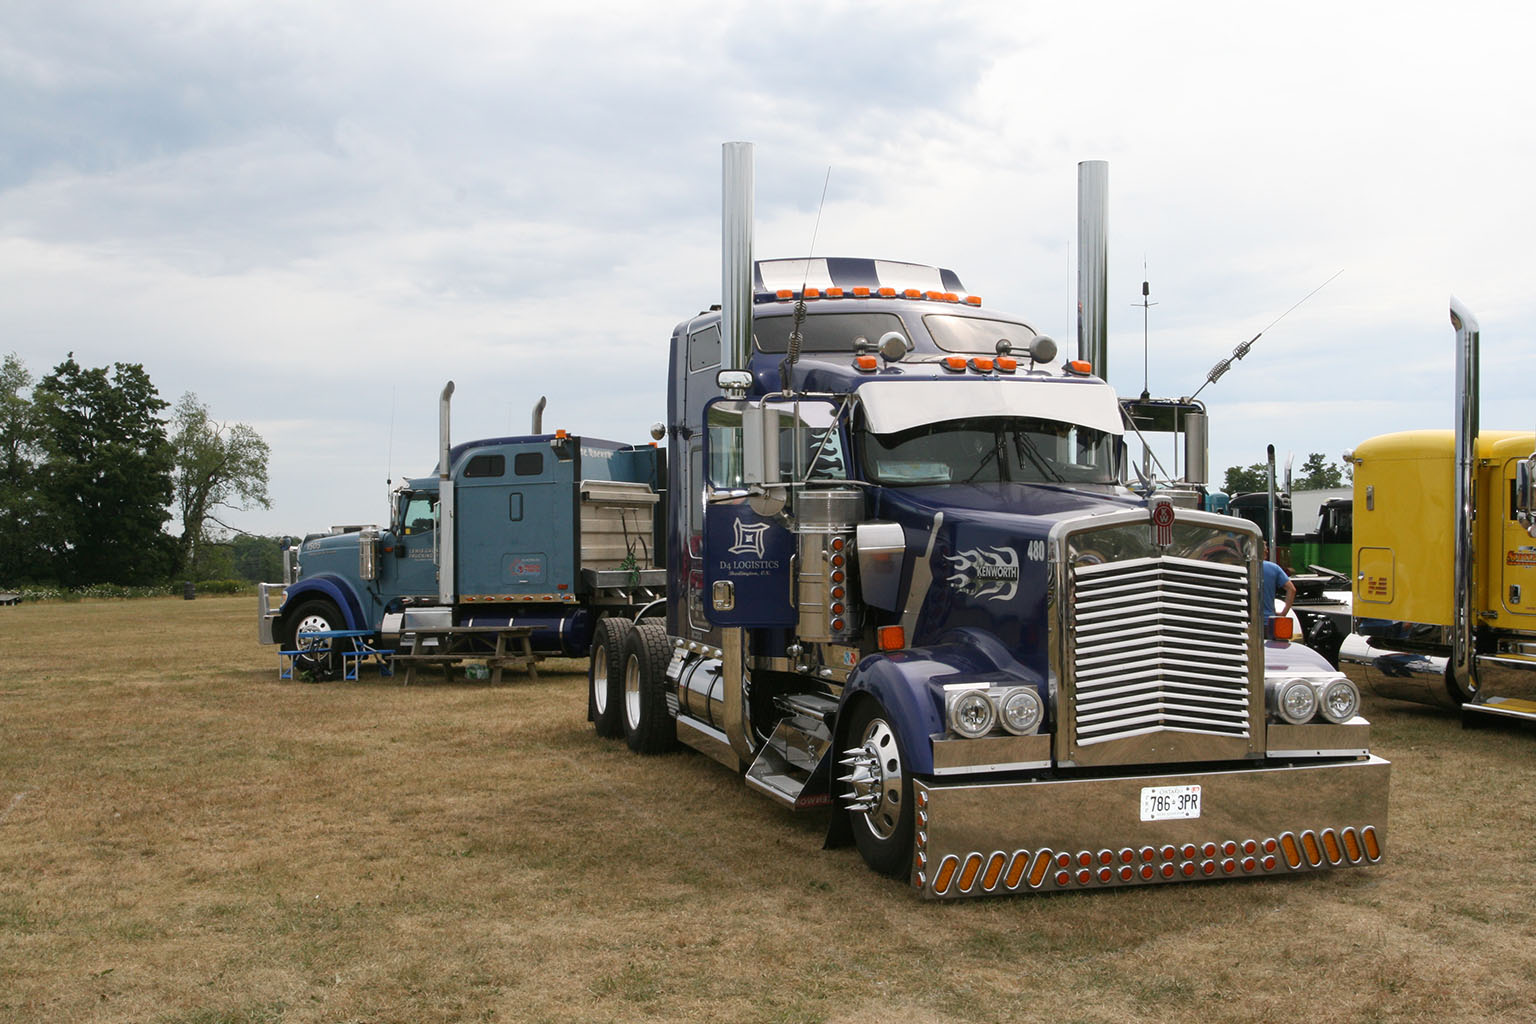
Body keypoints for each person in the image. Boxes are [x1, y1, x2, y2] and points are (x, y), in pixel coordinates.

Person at [1259, 559, 1296, 637]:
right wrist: (1283, 614)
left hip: (1243, 622)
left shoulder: (1241, 567)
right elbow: (1292, 589)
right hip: (1268, 622)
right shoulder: (1273, 568)